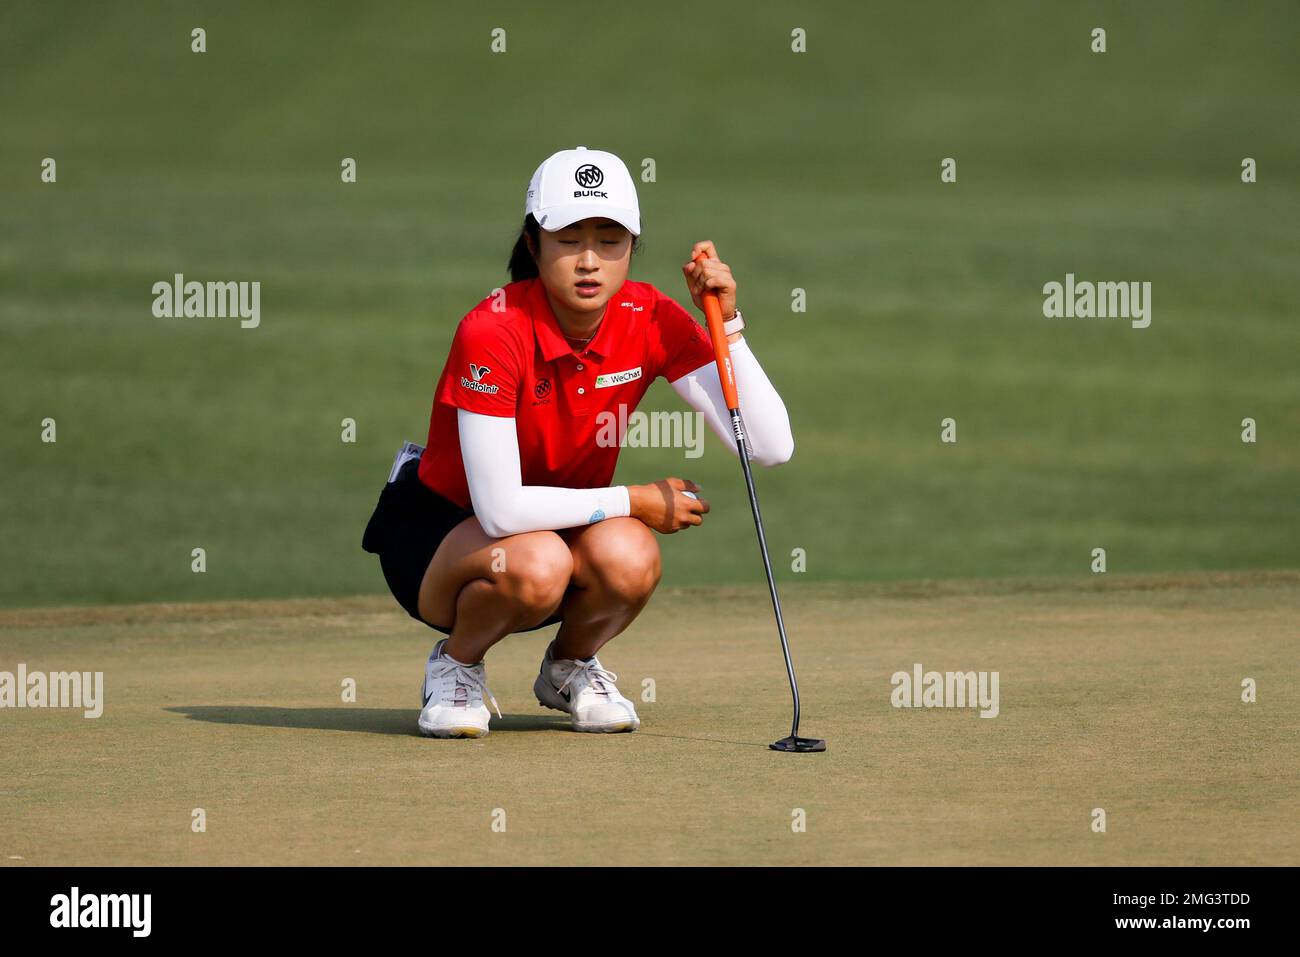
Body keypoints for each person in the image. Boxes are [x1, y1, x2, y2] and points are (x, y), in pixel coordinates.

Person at [362, 146, 794, 738]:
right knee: (539, 561)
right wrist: (634, 500)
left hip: (556, 524)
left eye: (609, 239)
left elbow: (768, 447)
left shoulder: (650, 315)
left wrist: (728, 325)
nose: (589, 260)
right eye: (568, 239)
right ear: (534, 243)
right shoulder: (492, 330)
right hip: (441, 534)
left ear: (632, 249)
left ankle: (569, 669)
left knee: (631, 556)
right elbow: (501, 509)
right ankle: (455, 666)